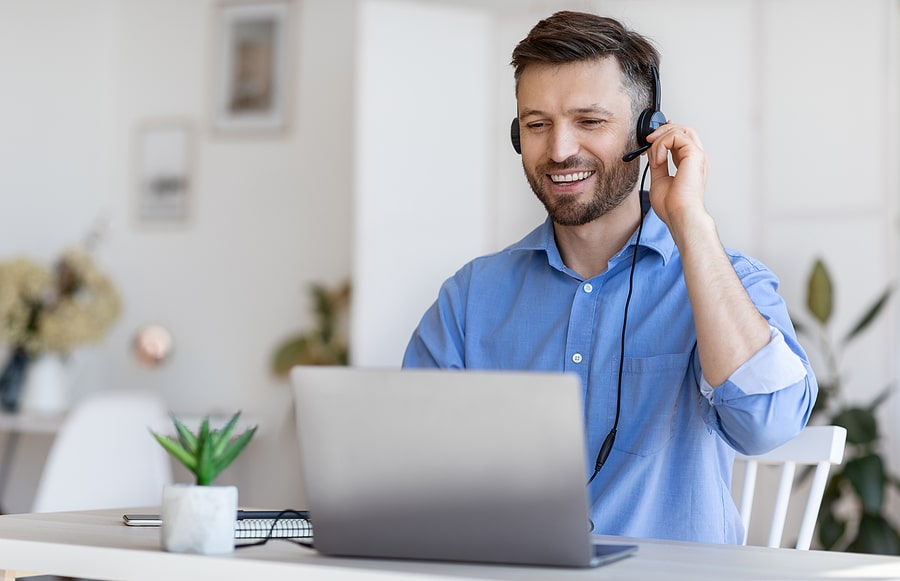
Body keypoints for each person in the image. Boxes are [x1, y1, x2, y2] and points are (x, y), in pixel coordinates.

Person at [402, 10, 817, 544]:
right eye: (537, 124)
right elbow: (410, 468)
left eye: (590, 121)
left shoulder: (726, 278)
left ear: (649, 133)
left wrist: (690, 223)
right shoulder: (470, 298)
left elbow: (767, 426)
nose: (560, 150)